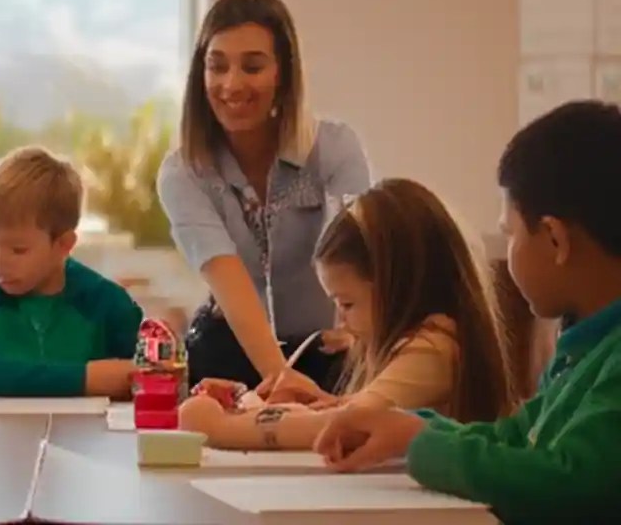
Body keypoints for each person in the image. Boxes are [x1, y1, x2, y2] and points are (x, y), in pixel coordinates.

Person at [313, 100, 621, 524]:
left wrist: (420, 442)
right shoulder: (583, 344)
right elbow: (516, 438)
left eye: (509, 234)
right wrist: (410, 429)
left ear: (554, 239)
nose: (508, 252)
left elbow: (573, 484)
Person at [178, 178, 516, 450]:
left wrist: (220, 427)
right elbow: (357, 415)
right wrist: (311, 401)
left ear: (398, 286)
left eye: (348, 304)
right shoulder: (422, 345)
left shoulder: (432, 350)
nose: (341, 323)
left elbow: (347, 427)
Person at [156, 0, 371, 402]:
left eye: (252, 66)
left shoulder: (335, 149)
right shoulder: (183, 172)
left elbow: (357, 256)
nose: (231, 84)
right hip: (229, 350)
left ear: (283, 75)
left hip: (327, 350)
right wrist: (282, 379)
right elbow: (228, 279)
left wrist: (354, 330)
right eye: (216, 67)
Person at [0, 146, 142, 397]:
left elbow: (143, 377)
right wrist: (87, 378)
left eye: (18, 250)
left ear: (63, 245)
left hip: (83, 435)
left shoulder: (109, 303)